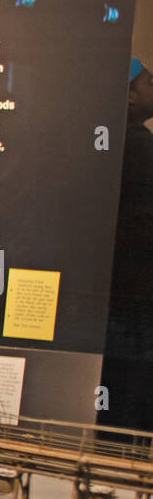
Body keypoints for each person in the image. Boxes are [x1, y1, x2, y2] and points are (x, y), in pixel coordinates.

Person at [101, 58, 153, 433]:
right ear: (130, 95)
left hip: (110, 301)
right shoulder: (139, 145)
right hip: (135, 306)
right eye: (150, 81)